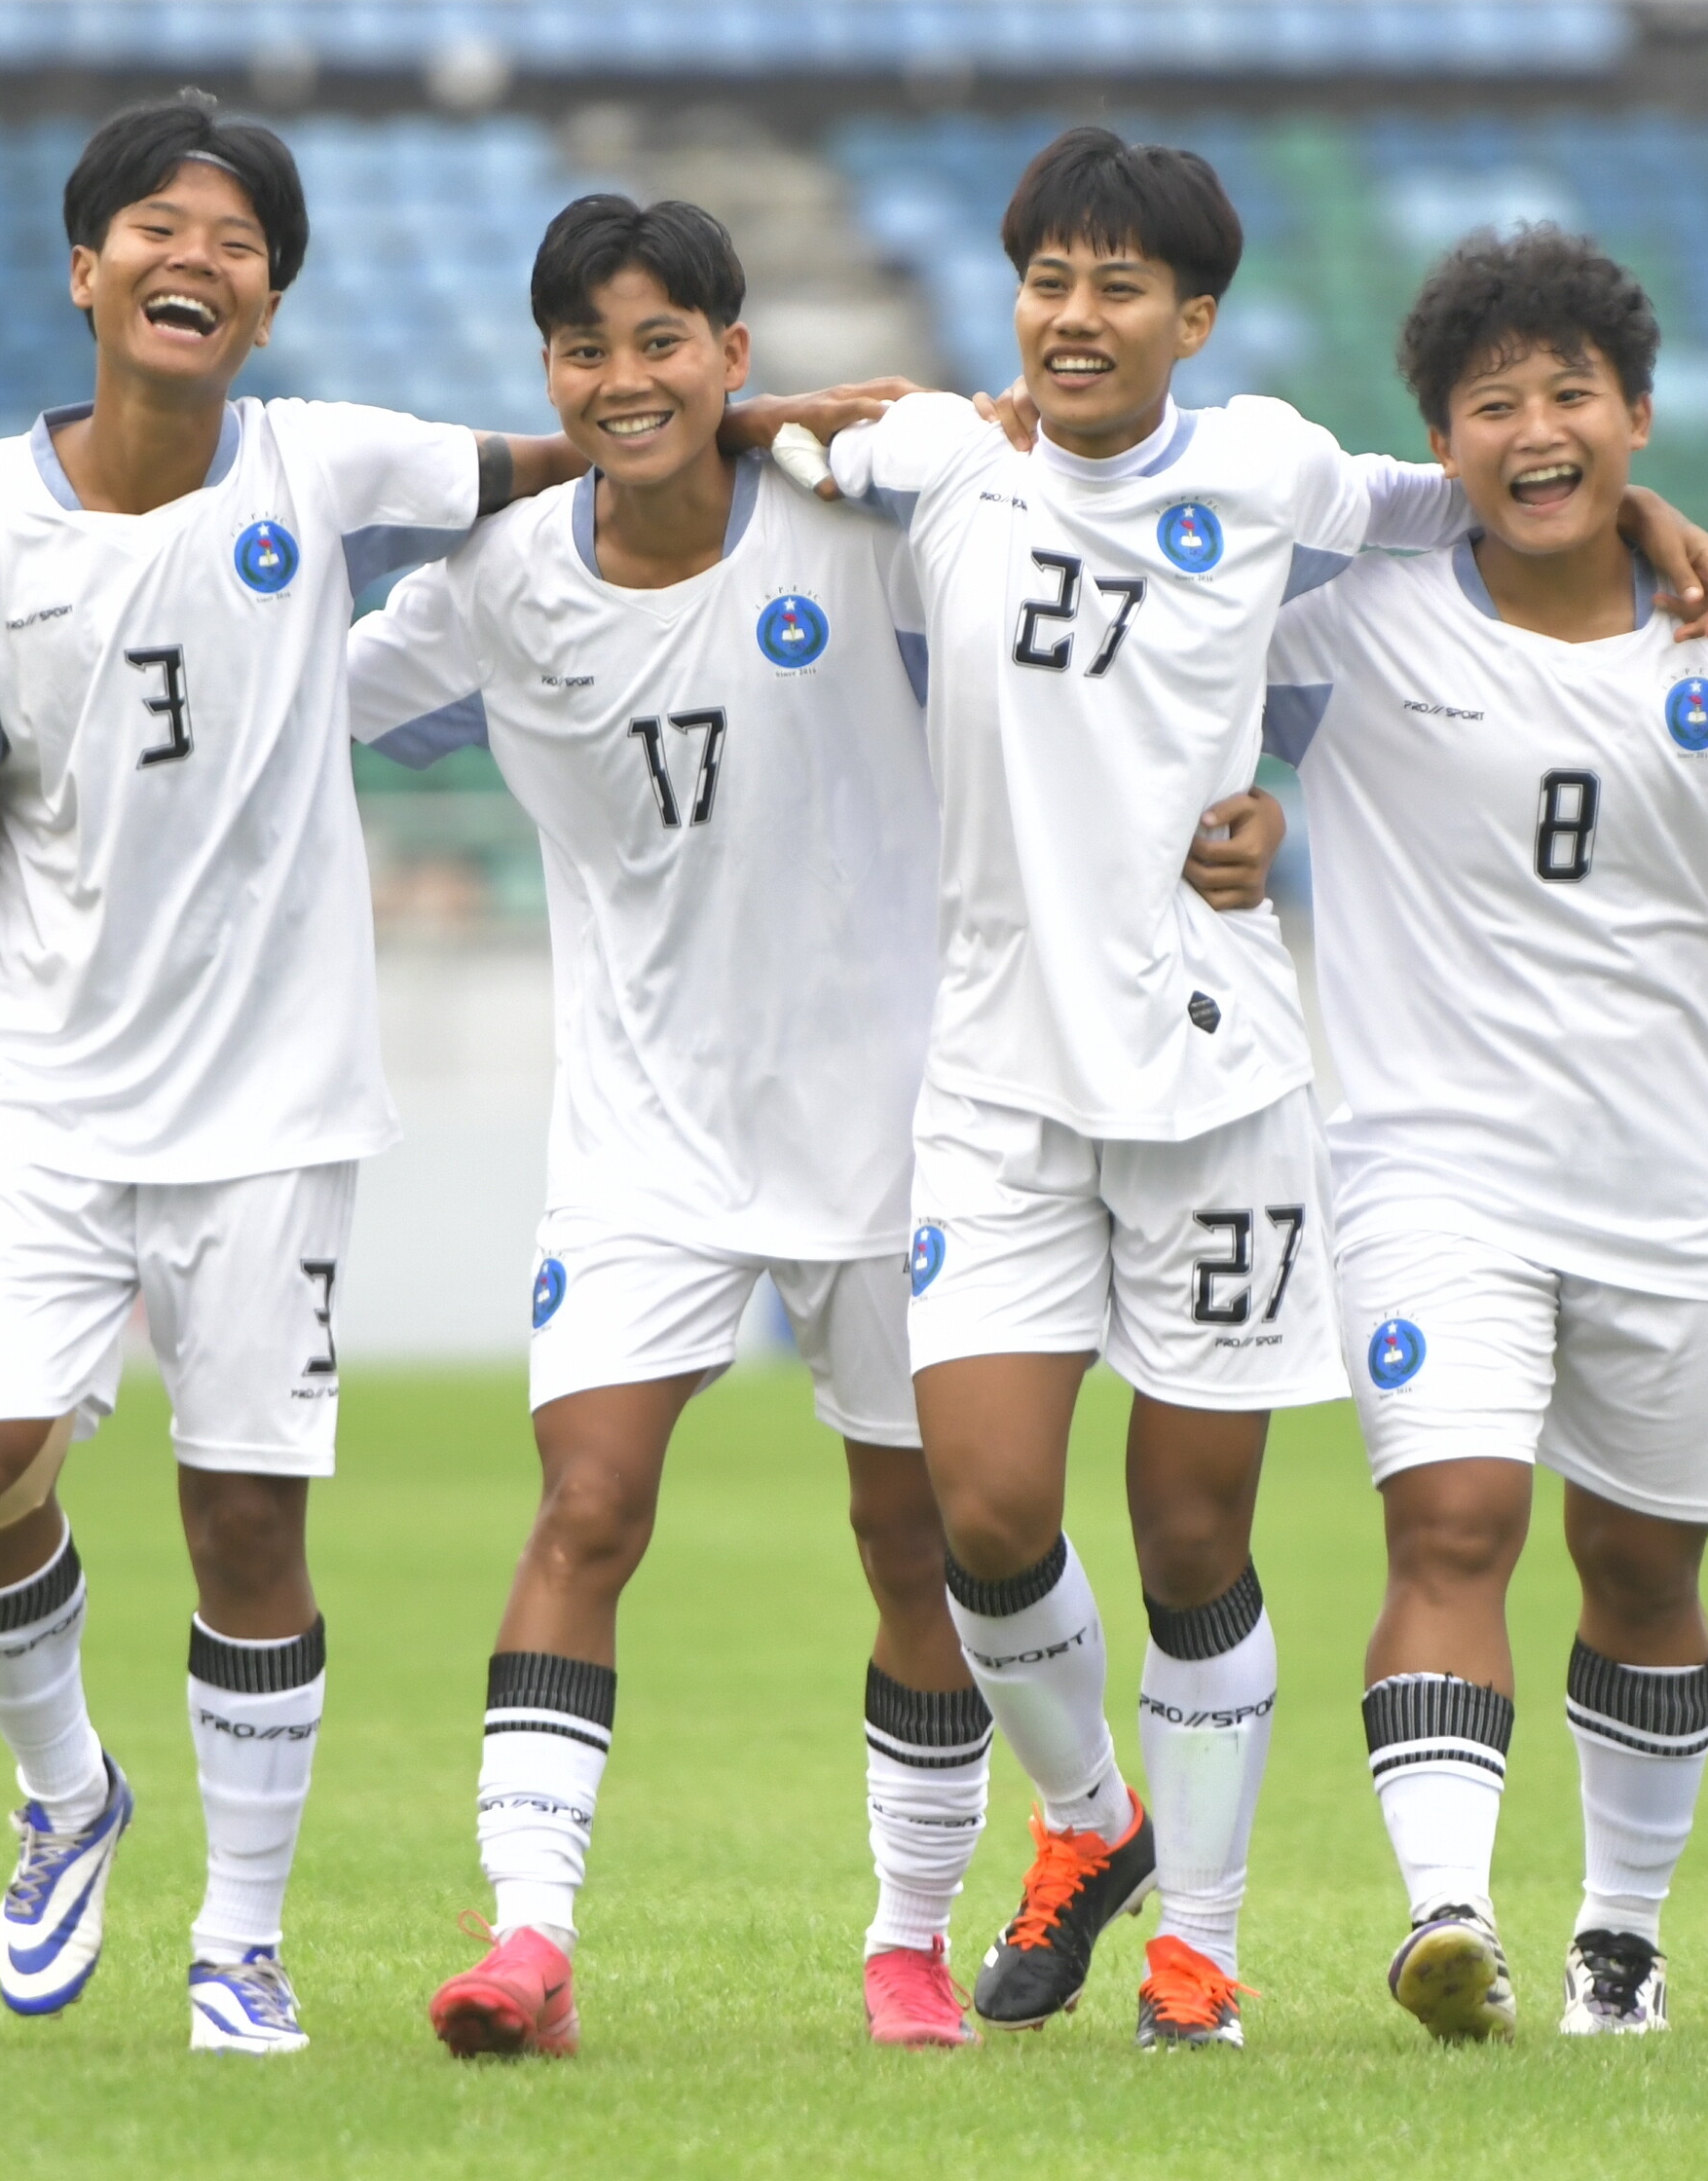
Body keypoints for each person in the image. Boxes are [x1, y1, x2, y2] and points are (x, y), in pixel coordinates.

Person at [798, 127, 1708, 2050]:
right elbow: (751, 434)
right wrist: (834, 403)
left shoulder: (1270, 465)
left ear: (1191, 317)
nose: (1075, 315)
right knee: (979, 1510)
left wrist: (1644, 519)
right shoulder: (940, 459)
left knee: (1197, 1542)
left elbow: (1473, 496)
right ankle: (1090, 1821)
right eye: (1047, 279)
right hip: (994, 1078)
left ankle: (1198, 1949)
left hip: (1217, 1083)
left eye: (1118, 285)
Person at [345, 196, 1284, 2058]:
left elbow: (1102, 649)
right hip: (640, 1142)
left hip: (897, 1123)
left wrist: (1240, 815)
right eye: (586, 349)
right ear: (548, 372)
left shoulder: (862, 530)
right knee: (588, 1500)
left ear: (728, 357)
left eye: (663, 343)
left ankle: (909, 1941)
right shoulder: (494, 584)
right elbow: (270, 711)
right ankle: (528, 1942)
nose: (627, 381)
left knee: (913, 1537)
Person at [0, 92, 586, 2053]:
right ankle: (67, 1790)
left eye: (238, 239)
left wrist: (804, 427)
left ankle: (242, 1942)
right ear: (88, 272)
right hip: (46, 1094)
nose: (197, 256)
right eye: (159, 226)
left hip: (271, 1109)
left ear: (268, 300)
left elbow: (577, 446)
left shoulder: (324, 471)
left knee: (251, 1525)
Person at [1267, 226, 1708, 2042]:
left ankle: (1617, 1946)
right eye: (1494, 404)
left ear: (1637, 416)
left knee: (1645, 1569)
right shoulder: (1343, 617)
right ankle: (1447, 1918)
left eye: (1571, 394)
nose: (1536, 430)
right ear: (1439, 443)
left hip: (1670, 1180)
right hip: (1428, 1164)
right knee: (1455, 1520)